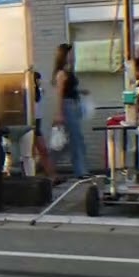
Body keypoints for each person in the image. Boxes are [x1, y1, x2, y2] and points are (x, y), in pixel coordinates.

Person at [51, 42, 88, 178]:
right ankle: (81, 171)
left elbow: (68, 90)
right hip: (68, 107)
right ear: (65, 55)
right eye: (71, 54)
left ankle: (49, 165)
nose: (73, 57)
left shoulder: (68, 71)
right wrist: (59, 113)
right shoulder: (62, 73)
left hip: (73, 105)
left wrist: (81, 92)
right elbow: (60, 93)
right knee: (76, 139)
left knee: (68, 141)